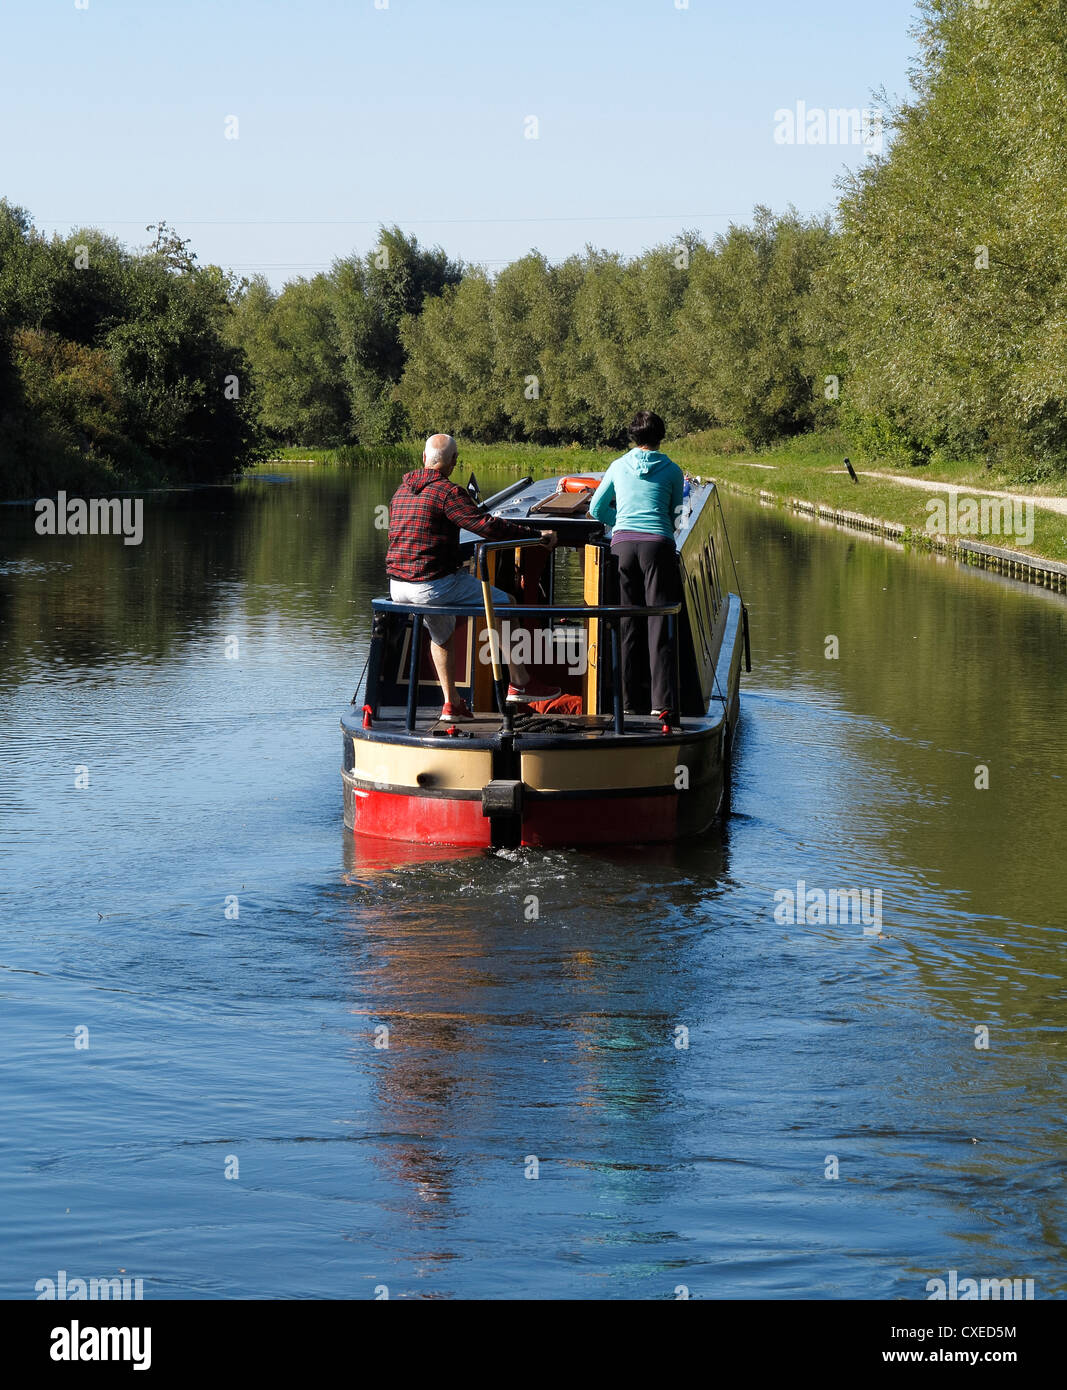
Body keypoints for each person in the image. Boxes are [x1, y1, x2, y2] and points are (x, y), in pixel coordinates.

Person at [386, 433, 560, 719]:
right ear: (453, 462)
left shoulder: (401, 491)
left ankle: (451, 703)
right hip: (432, 585)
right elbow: (484, 526)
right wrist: (535, 537)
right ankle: (520, 682)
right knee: (506, 603)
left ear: (423, 458)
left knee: (441, 634)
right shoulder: (447, 492)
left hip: (398, 586)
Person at [589, 411, 684, 719]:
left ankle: (628, 703)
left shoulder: (617, 466)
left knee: (628, 621)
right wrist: (662, 527)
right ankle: (661, 703)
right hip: (657, 546)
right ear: (661, 436)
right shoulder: (672, 470)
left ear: (633, 437)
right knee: (659, 623)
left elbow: (596, 508)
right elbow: (677, 514)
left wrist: (620, 524)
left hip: (623, 547)